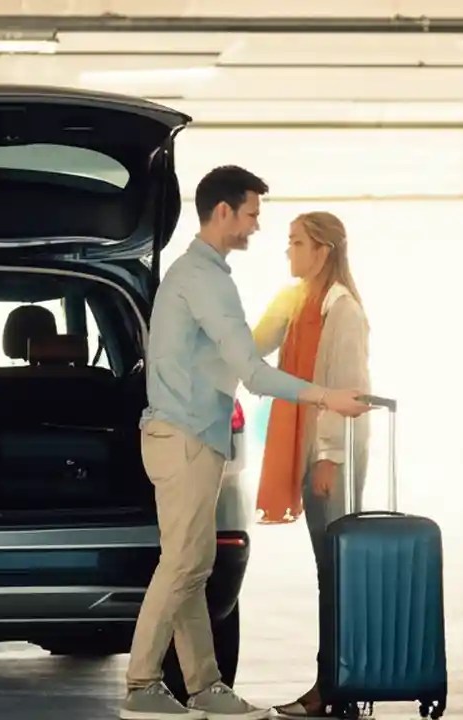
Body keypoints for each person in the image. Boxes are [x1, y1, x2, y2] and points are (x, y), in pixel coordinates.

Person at [120, 166, 372, 720]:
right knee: (184, 566)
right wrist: (327, 396)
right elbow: (252, 373)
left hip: (186, 434)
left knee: (191, 567)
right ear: (224, 212)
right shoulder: (205, 280)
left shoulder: (196, 275)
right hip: (186, 436)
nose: (257, 227)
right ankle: (141, 684)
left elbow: (231, 358)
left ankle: (204, 686)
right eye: (252, 214)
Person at [250, 211, 371, 718]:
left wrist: (329, 459)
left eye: (297, 243)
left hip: (329, 458)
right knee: (330, 572)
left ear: (323, 252)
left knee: (335, 573)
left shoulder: (342, 310)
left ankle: (335, 689)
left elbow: (347, 390)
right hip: (310, 449)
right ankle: (333, 686)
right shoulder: (300, 302)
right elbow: (251, 350)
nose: (288, 251)